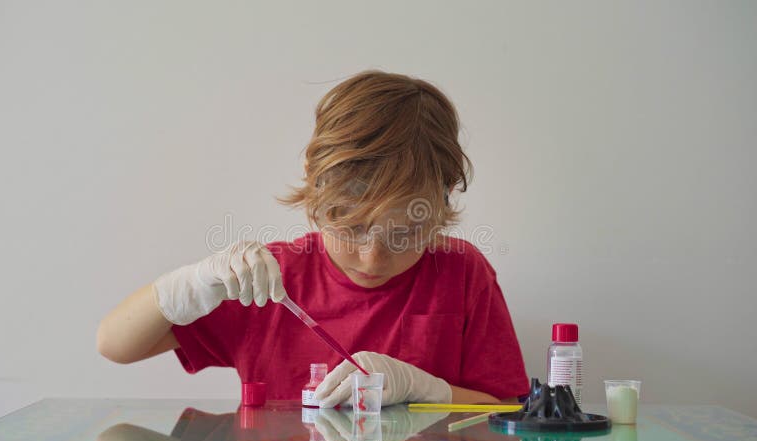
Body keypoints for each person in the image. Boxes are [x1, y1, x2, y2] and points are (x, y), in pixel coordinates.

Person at [97, 70, 529, 407]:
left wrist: (426, 390)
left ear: (446, 196)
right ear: (316, 187)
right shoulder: (269, 282)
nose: (373, 257)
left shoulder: (460, 273)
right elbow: (114, 345)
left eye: (406, 233)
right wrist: (188, 286)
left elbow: (506, 412)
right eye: (352, 227)